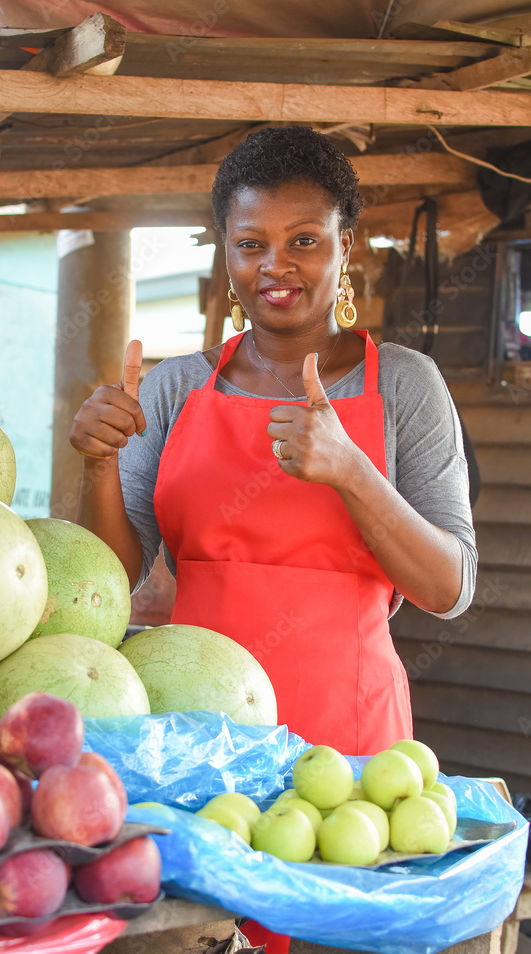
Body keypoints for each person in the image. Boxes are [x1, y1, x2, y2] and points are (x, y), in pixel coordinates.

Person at [69, 125, 477, 756]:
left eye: (304, 240)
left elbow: (450, 589)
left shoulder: (406, 384)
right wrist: (98, 466)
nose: (275, 266)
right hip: (196, 730)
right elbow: (109, 578)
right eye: (250, 243)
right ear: (227, 256)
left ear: (347, 246)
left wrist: (352, 472)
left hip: (349, 740)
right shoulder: (175, 387)